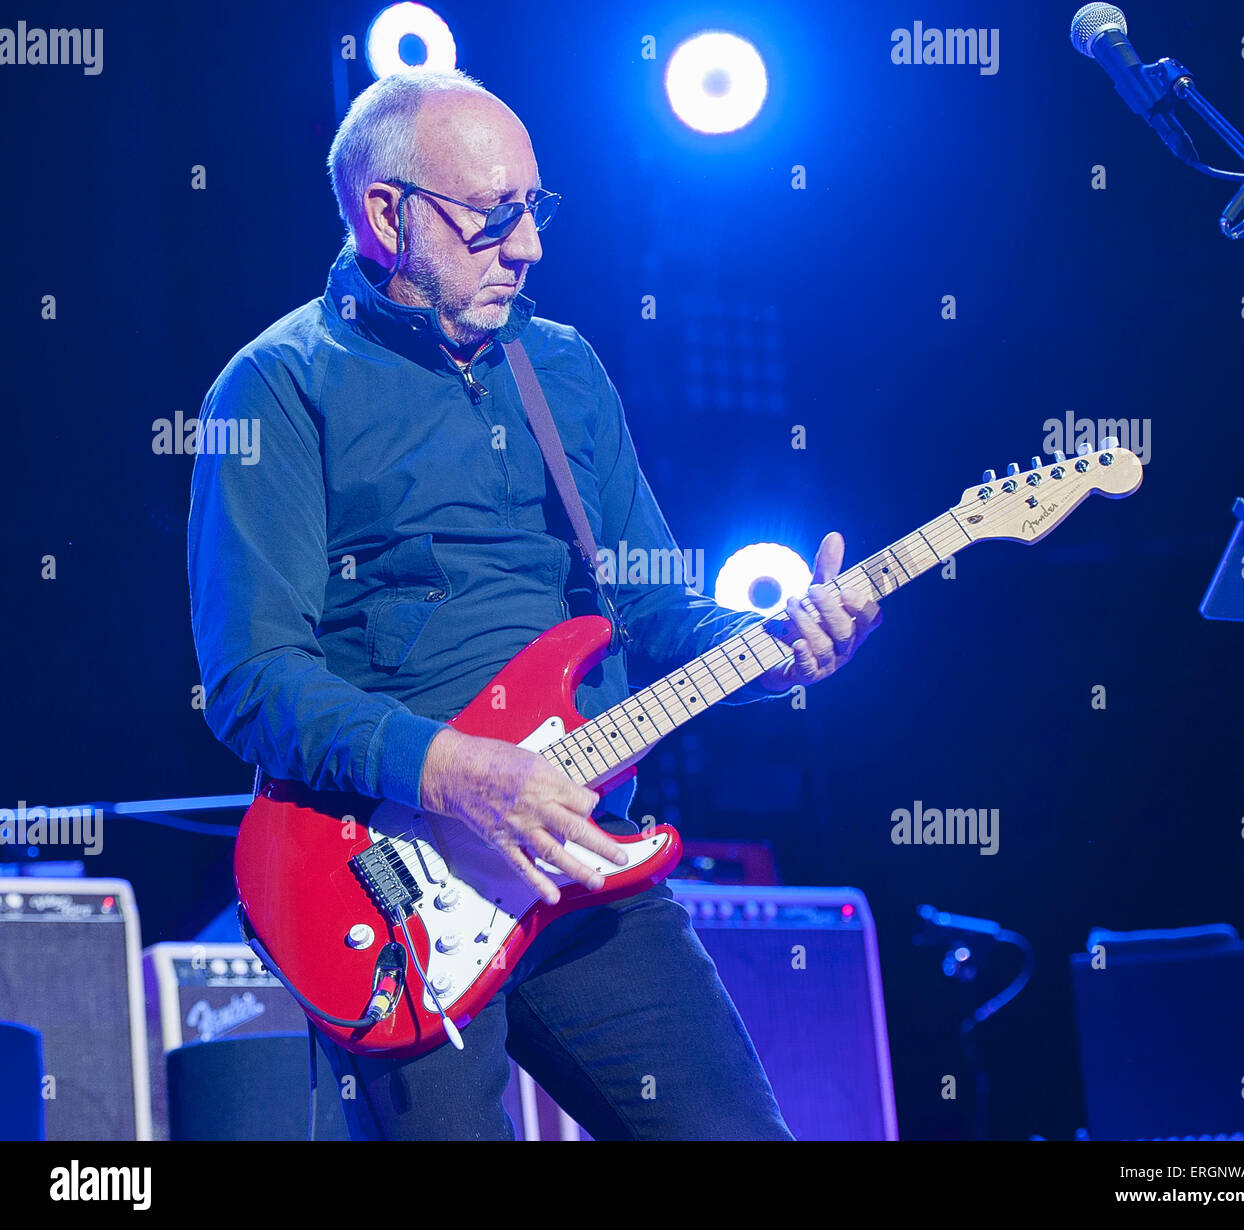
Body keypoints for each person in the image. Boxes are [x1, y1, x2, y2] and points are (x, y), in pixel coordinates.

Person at [187, 67, 881, 1141]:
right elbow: (251, 681)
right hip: (394, 890)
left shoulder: (562, 370)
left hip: (586, 857)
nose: (528, 246)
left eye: (536, 209)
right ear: (386, 212)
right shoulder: (277, 386)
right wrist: (456, 771)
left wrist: (773, 649)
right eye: (492, 216)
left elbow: (654, 617)